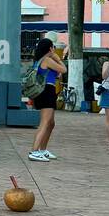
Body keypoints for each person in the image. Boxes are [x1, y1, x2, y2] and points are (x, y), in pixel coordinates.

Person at [28, 34, 66, 162]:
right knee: (45, 122)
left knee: (51, 123)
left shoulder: (40, 60)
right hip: (46, 91)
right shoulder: (47, 60)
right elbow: (63, 69)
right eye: (53, 47)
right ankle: (34, 151)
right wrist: (57, 58)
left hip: (47, 90)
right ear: (50, 48)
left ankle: (43, 149)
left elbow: (57, 74)